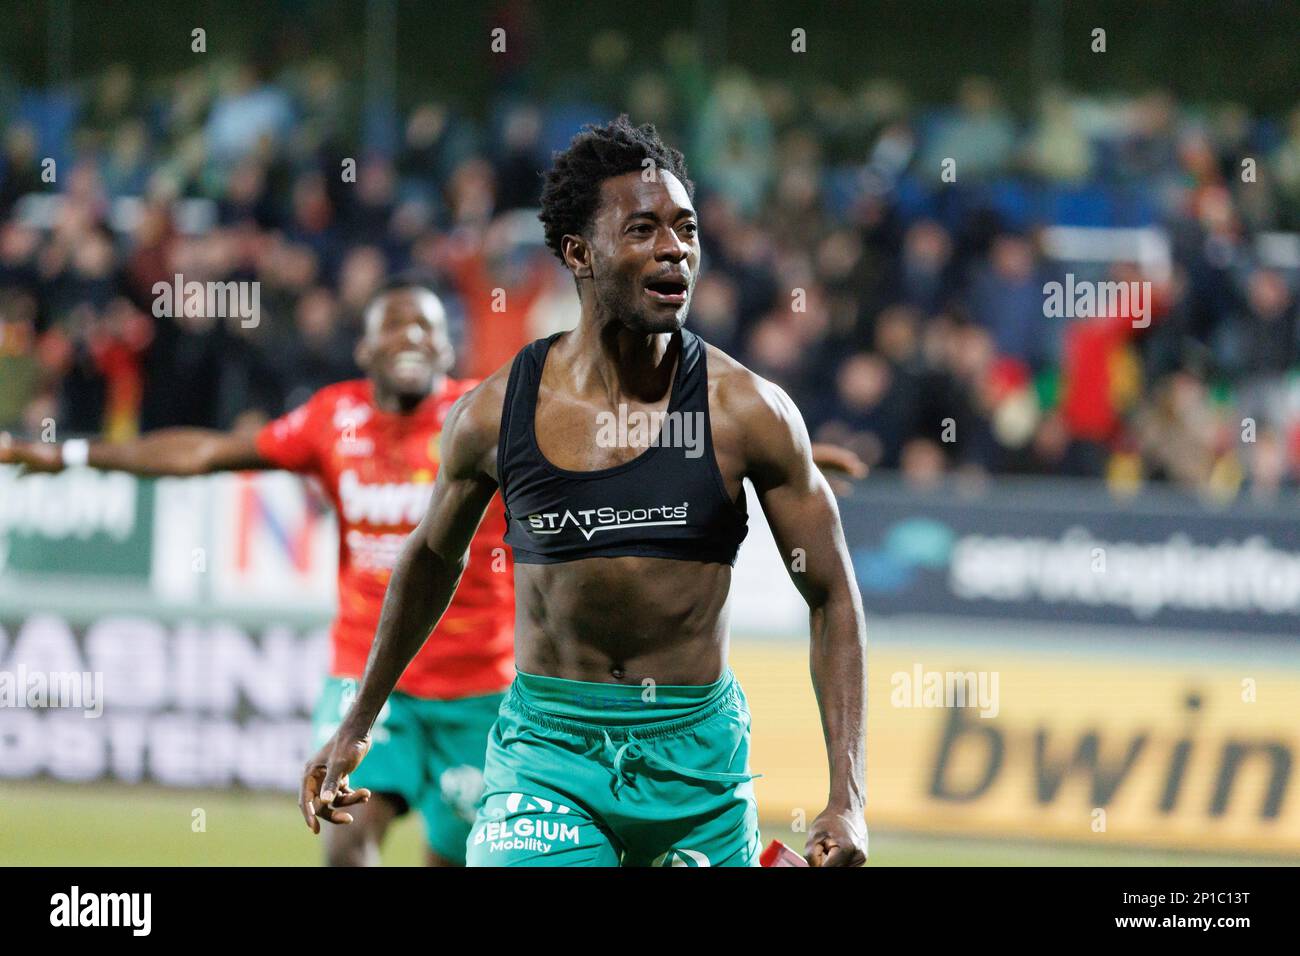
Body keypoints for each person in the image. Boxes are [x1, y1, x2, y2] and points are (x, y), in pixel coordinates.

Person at [301, 116, 868, 867]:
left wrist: (848, 798)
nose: (676, 250)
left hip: (695, 761)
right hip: (547, 751)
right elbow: (432, 559)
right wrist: (357, 719)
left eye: (687, 229)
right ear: (579, 253)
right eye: (643, 229)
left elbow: (832, 595)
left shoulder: (750, 413)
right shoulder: (497, 413)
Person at [1, 279, 515, 867]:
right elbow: (209, 454)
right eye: (394, 326)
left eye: (426, 327)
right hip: (367, 680)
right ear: (365, 350)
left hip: (480, 689)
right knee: (346, 844)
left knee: (455, 859)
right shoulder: (332, 419)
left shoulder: (479, 420)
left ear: (448, 350)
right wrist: (71, 454)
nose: (411, 338)